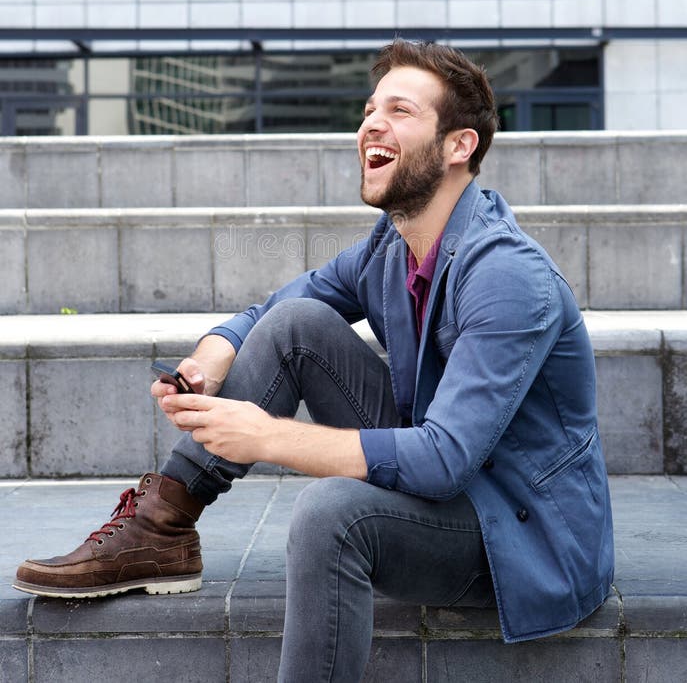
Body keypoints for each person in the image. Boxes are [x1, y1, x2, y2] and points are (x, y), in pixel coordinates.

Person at [15, 39, 614, 681]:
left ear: (458, 146)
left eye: (401, 111)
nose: (371, 125)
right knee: (297, 325)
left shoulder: (507, 277)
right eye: (368, 109)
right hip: (457, 479)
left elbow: (443, 460)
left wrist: (269, 436)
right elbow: (281, 306)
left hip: (522, 536)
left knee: (331, 516)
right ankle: (164, 526)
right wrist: (215, 352)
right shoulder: (392, 245)